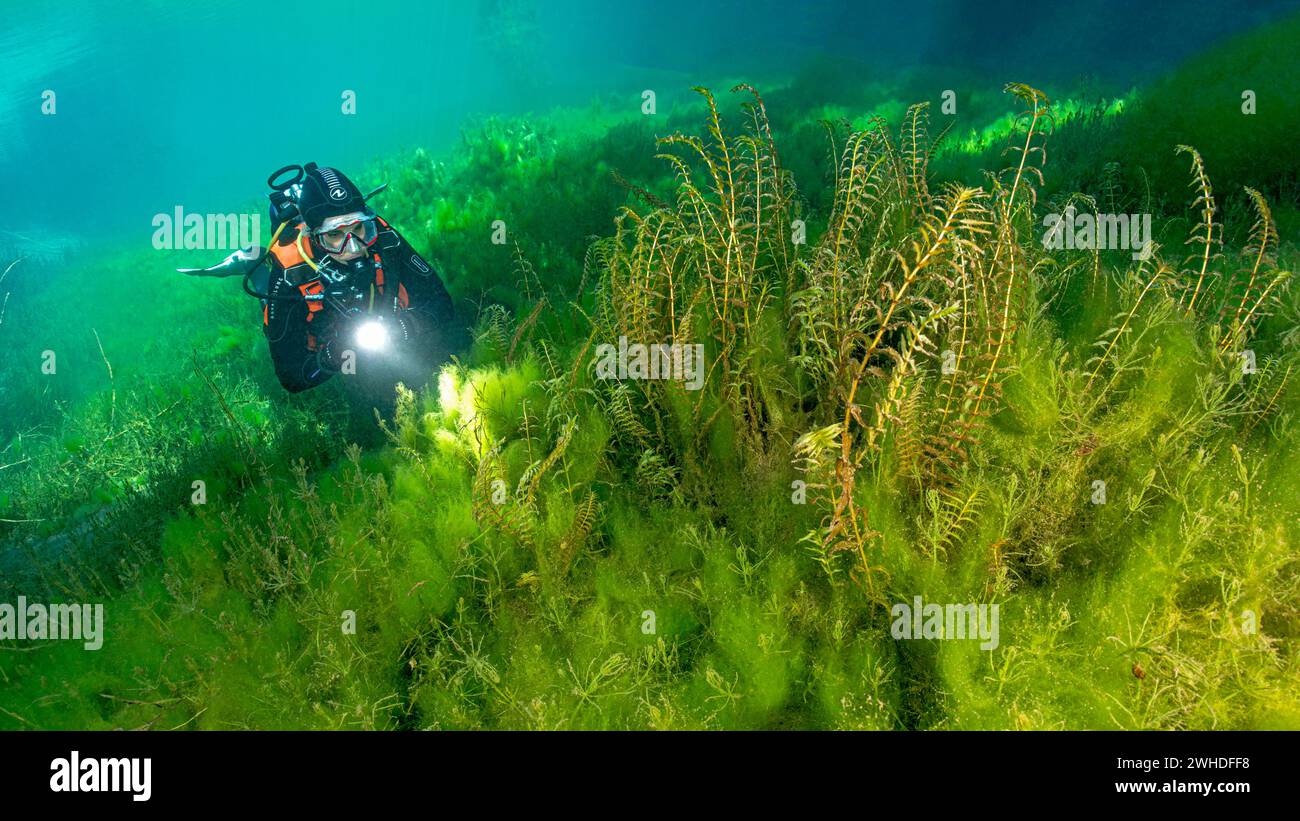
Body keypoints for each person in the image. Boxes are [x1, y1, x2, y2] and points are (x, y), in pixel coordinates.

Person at [183, 164, 460, 408]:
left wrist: (404, 325)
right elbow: (291, 377)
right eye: (334, 235)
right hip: (316, 318)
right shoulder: (291, 271)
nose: (352, 246)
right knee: (268, 299)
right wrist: (334, 355)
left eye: (359, 230)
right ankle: (253, 262)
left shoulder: (383, 236)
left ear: (368, 222)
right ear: (313, 236)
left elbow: (441, 304)